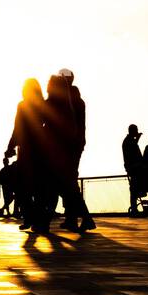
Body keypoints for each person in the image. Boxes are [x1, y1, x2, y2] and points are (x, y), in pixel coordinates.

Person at [44, 72, 94, 233]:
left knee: (65, 184)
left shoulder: (66, 101)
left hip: (65, 148)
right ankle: (73, 219)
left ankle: (83, 218)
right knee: (67, 184)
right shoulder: (76, 100)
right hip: (74, 146)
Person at [6, 80, 47, 232]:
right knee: (38, 187)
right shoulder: (43, 105)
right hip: (40, 148)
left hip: (26, 149)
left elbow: (17, 126)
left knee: (23, 186)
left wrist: (10, 146)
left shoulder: (23, 105)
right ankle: (39, 221)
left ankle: (30, 217)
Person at [122, 123, 143, 214]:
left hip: (134, 167)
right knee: (134, 188)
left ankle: (134, 207)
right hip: (134, 168)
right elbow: (132, 151)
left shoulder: (129, 140)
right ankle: (134, 208)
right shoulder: (128, 141)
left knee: (134, 188)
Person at [0, 152, 17, 218]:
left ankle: (4, 210)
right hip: (9, 186)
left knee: (7, 199)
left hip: (6, 186)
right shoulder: (9, 168)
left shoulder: (2, 170)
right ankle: (6, 211)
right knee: (10, 198)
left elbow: (1, 179)